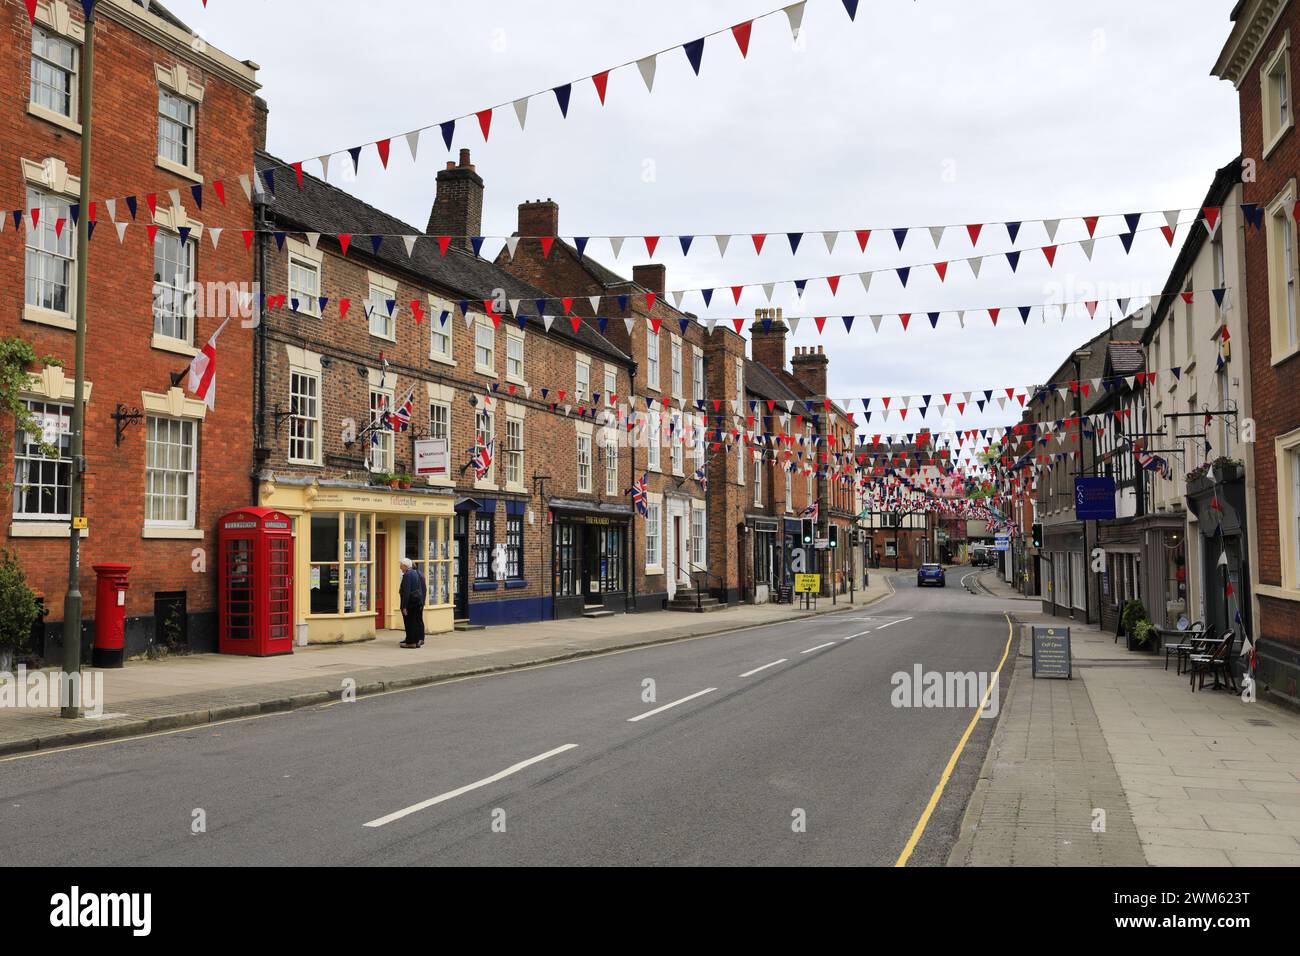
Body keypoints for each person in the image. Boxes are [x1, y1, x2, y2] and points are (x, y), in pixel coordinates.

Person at [398, 557, 426, 648]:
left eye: (401, 565)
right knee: (414, 622)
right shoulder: (415, 574)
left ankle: (411, 642)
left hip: (410, 604)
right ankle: (416, 641)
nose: (400, 567)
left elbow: (406, 592)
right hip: (416, 602)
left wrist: (404, 607)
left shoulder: (407, 575)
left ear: (405, 566)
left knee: (410, 623)